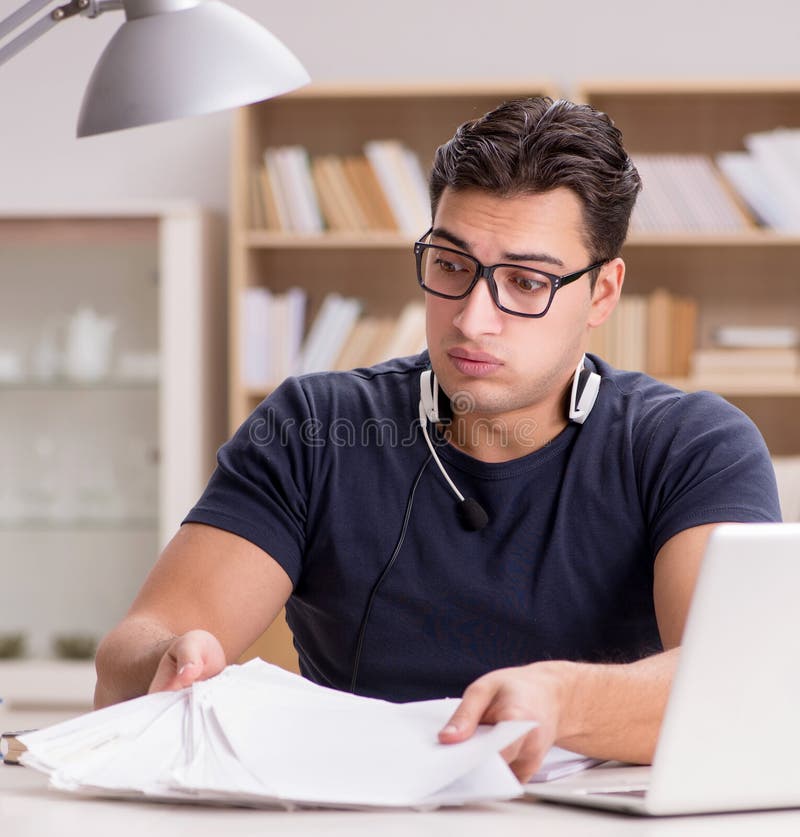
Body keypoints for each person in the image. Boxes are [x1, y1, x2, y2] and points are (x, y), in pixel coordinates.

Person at [94, 96, 781, 781]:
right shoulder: (310, 426)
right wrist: (171, 656)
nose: (473, 318)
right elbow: (132, 650)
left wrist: (561, 698)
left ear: (603, 293)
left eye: (526, 281)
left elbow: (737, 685)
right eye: (451, 266)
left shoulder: (694, 444)